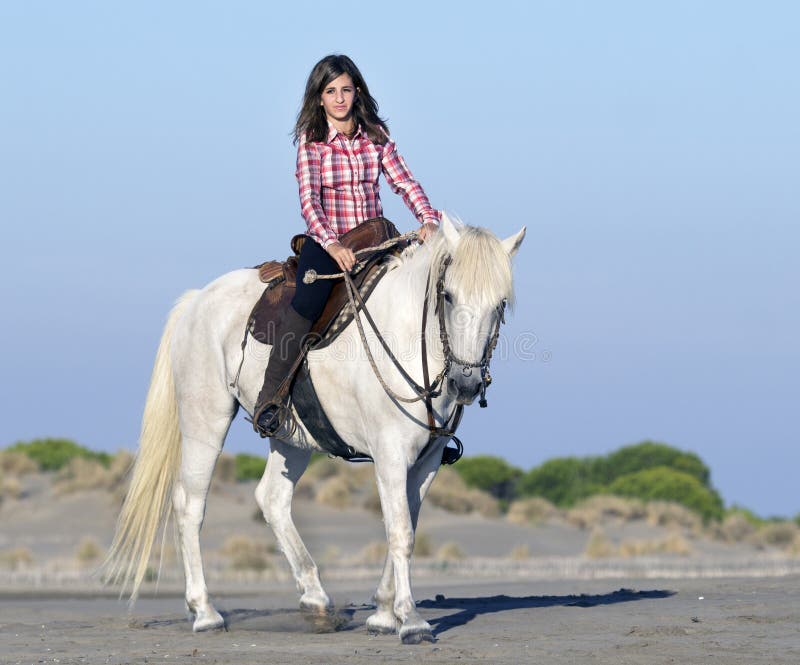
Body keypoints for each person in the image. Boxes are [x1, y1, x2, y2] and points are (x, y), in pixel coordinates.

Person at [253, 54, 441, 437]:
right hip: (328, 242)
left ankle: (430, 417)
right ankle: (270, 398)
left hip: (374, 239)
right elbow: (310, 201)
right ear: (319, 97)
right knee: (307, 301)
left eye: (346, 90)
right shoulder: (313, 141)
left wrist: (428, 219)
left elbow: (404, 182)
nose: (339, 98)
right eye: (330, 91)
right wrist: (332, 245)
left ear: (357, 92)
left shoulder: (376, 135)